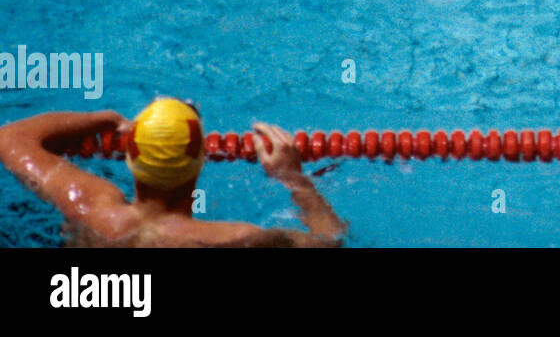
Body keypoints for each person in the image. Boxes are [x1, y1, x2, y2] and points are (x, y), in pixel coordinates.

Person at [0, 97, 346, 246]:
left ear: (129, 158)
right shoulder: (239, 239)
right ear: (201, 161)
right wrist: (294, 179)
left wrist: (103, 119)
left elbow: (11, 137)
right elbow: (333, 241)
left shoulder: (88, 209)